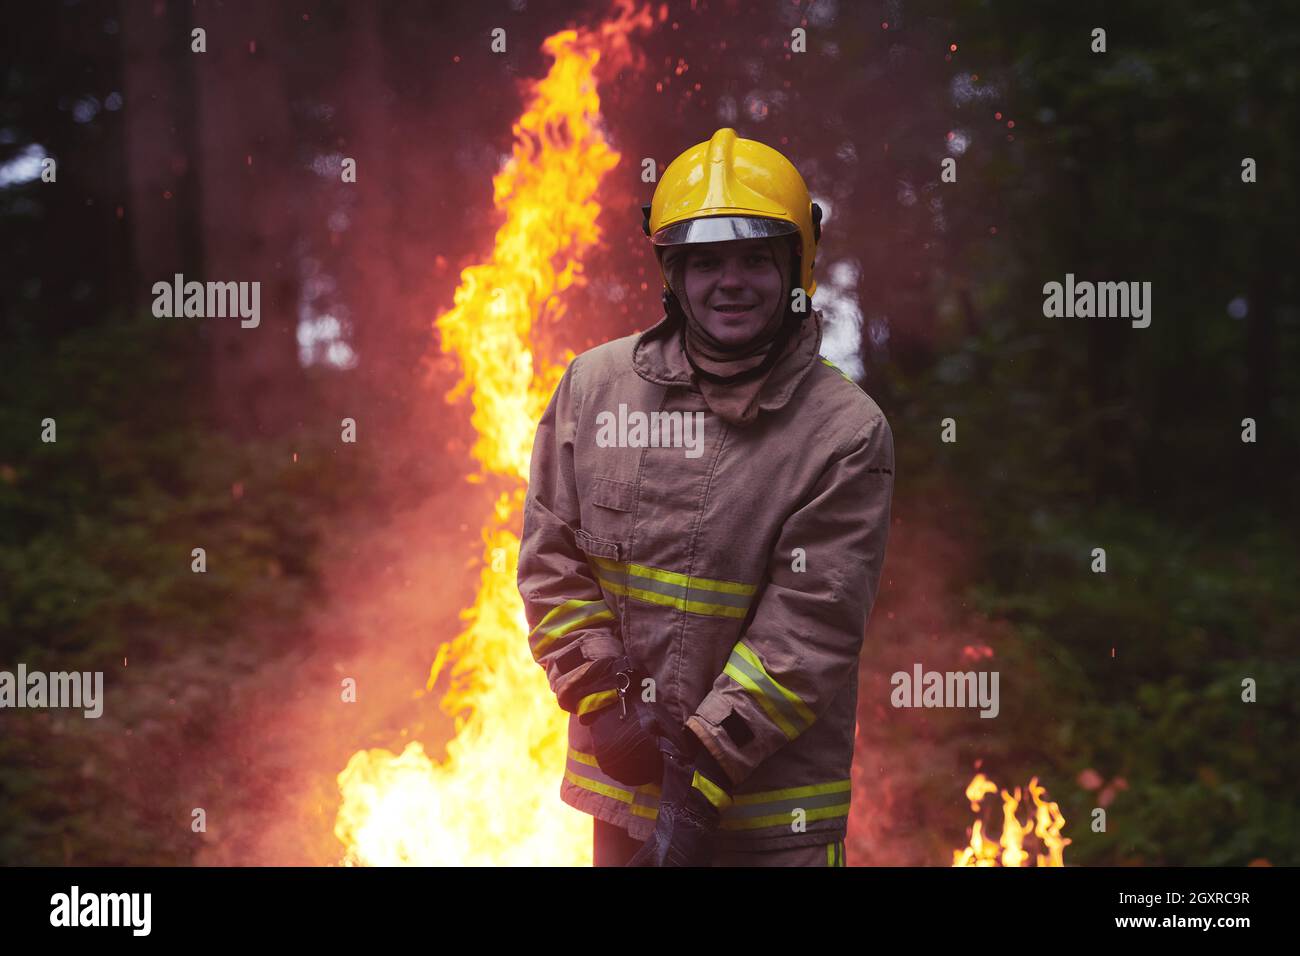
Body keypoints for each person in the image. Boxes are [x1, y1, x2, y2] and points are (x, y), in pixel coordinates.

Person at [517, 128, 894, 867]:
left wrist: (700, 774)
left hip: (768, 819)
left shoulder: (845, 432)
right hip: (624, 792)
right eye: (707, 261)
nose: (732, 281)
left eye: (756, 257)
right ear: (672, 271)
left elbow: (810, 629)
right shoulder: (594, 389)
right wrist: (605, 702)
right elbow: (550, 559)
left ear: (798, 265)